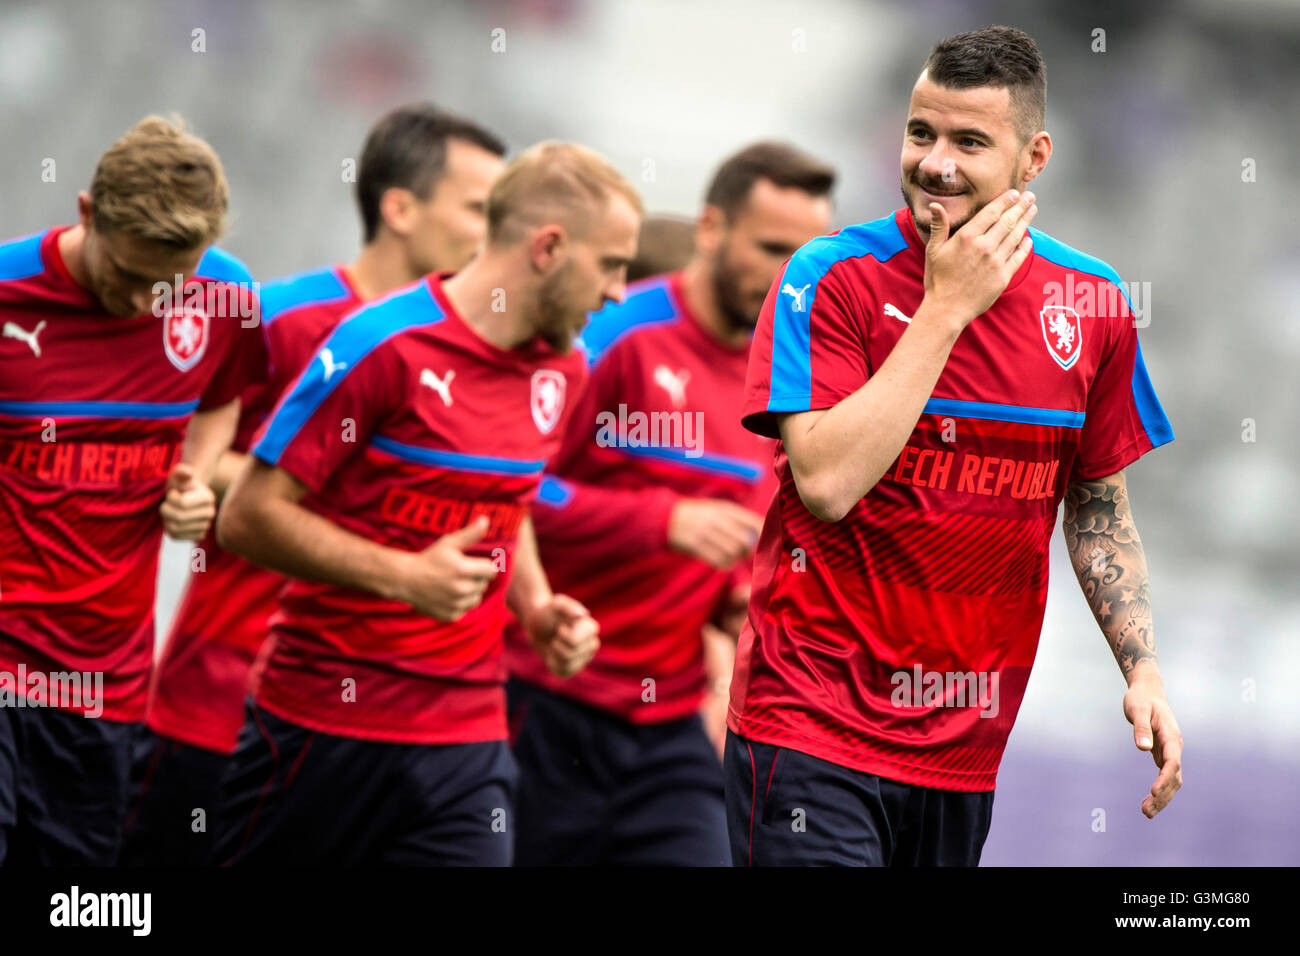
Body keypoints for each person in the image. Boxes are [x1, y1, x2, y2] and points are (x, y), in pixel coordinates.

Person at [727, 25, 1181, 867]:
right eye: (921, 132)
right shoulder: (827, 277)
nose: (934, 162)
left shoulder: (1095, 303)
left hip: (965, 749)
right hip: (811, 723)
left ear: (1033, 156)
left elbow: (1097, 505)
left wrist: (1143, 669)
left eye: (969, 141)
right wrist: (945, 309)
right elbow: (825, 482)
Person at [212, 141, 642, 865]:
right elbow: (247, 516)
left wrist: (535, 606)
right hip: (322, 724)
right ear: (548, 247)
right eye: (610, 264)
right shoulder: (381, 343)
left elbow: (510, 502)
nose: (618, 292)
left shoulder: (564, 368)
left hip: (465, 739)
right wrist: (402, 576)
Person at [121, 104, 507, 866]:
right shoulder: (282, 318)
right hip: (216, 709)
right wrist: (300, 490)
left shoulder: (484, 358)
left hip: (370, 734)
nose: (494, 235)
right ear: (400, 208)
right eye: (477, 210)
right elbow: (169, 450)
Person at [505, 142, 834, 866]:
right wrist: (663, 522)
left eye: (806, 257)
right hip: (544, 702)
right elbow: (514, 488)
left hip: (668, 723)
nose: (789, 276)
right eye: (771, 248)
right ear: (711, 229)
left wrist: (735, 598)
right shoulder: (614, 332)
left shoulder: (788, 380)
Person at [0, 116, 263, 865]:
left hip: (103, 686)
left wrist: (196, 475)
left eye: (168, 283)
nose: (149, 302)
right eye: (127, 274)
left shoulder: (226, 299)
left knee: (75, 912)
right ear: (86, 213)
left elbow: (220, 399)